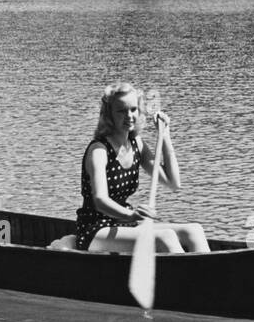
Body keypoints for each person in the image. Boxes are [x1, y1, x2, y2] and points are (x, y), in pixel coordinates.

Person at [75, 82, 209, 254]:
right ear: (109, 115)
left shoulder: (136, 144)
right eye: (121, 111)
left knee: (194, 231)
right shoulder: (99, 150)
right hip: (95, 230)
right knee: (165, 237)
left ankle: (209, 276)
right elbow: (100, 201)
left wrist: (165, 136)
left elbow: (173, 183)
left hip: (124, 224)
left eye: (133, 109)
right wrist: (130, 215)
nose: (129, 116)